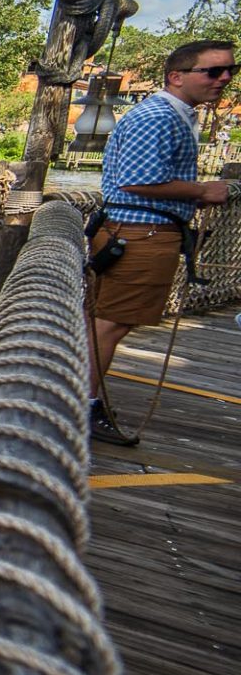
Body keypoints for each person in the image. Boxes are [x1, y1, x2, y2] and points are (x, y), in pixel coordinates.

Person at [87, 38, 233, 445]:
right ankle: (83, 405)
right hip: (139, 235)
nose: (223, 79)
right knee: (111, 324)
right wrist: (202, 192)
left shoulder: (176, 116)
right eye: (212, 71)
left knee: (108, 321)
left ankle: (83, 399)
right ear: (177, 76)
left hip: (142, 233)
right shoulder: (157, 117)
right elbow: (139, 180)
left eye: (229, 72)